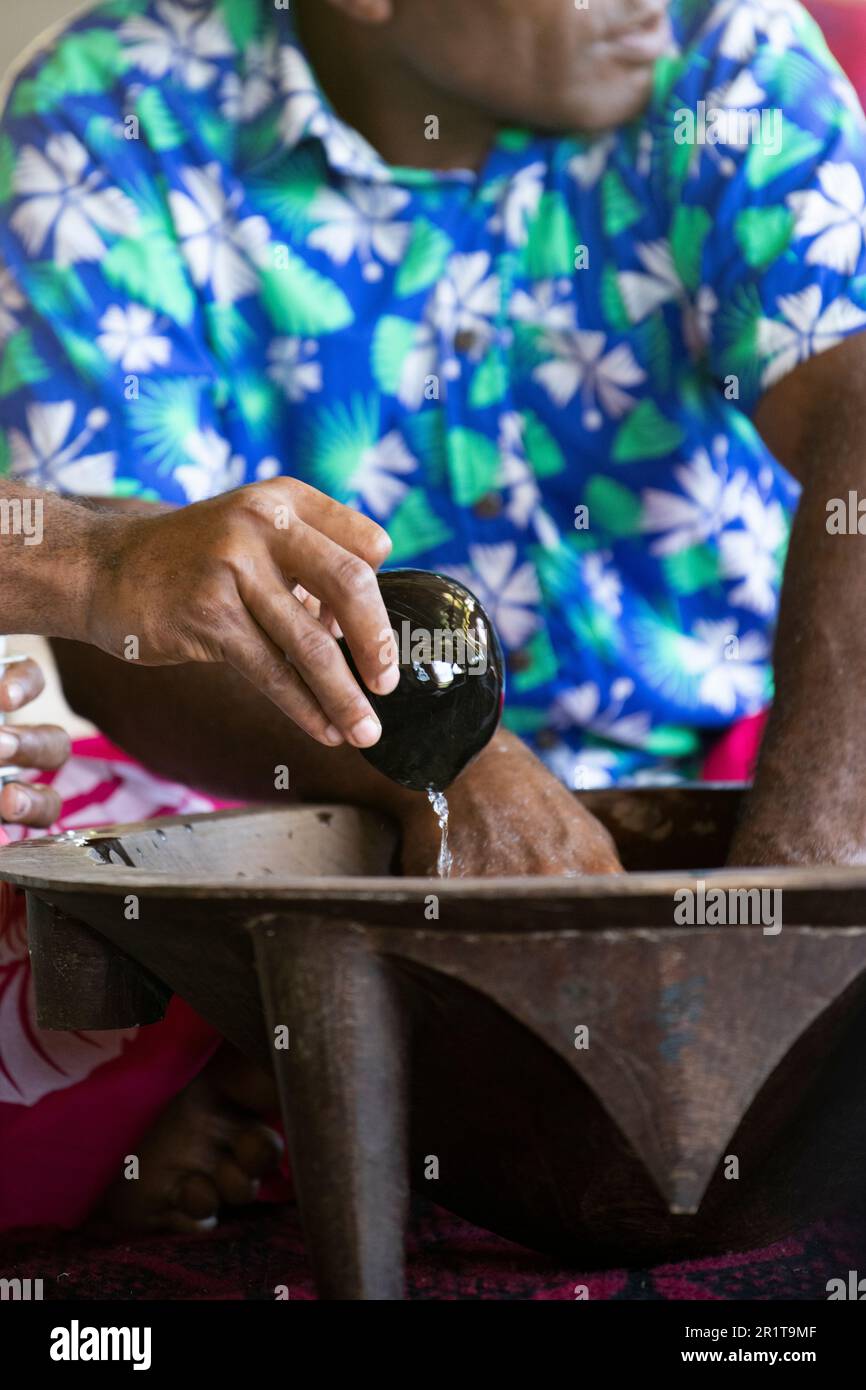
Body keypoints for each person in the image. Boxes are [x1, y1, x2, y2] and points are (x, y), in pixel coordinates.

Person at [2, 0, 866, 1232]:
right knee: (46, 847)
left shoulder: (725, 48)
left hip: (737, 771)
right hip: (301, 791)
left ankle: (306, 1075)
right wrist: (440, 776)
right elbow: (122, 630)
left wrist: (780, 931)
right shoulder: (115, 108)